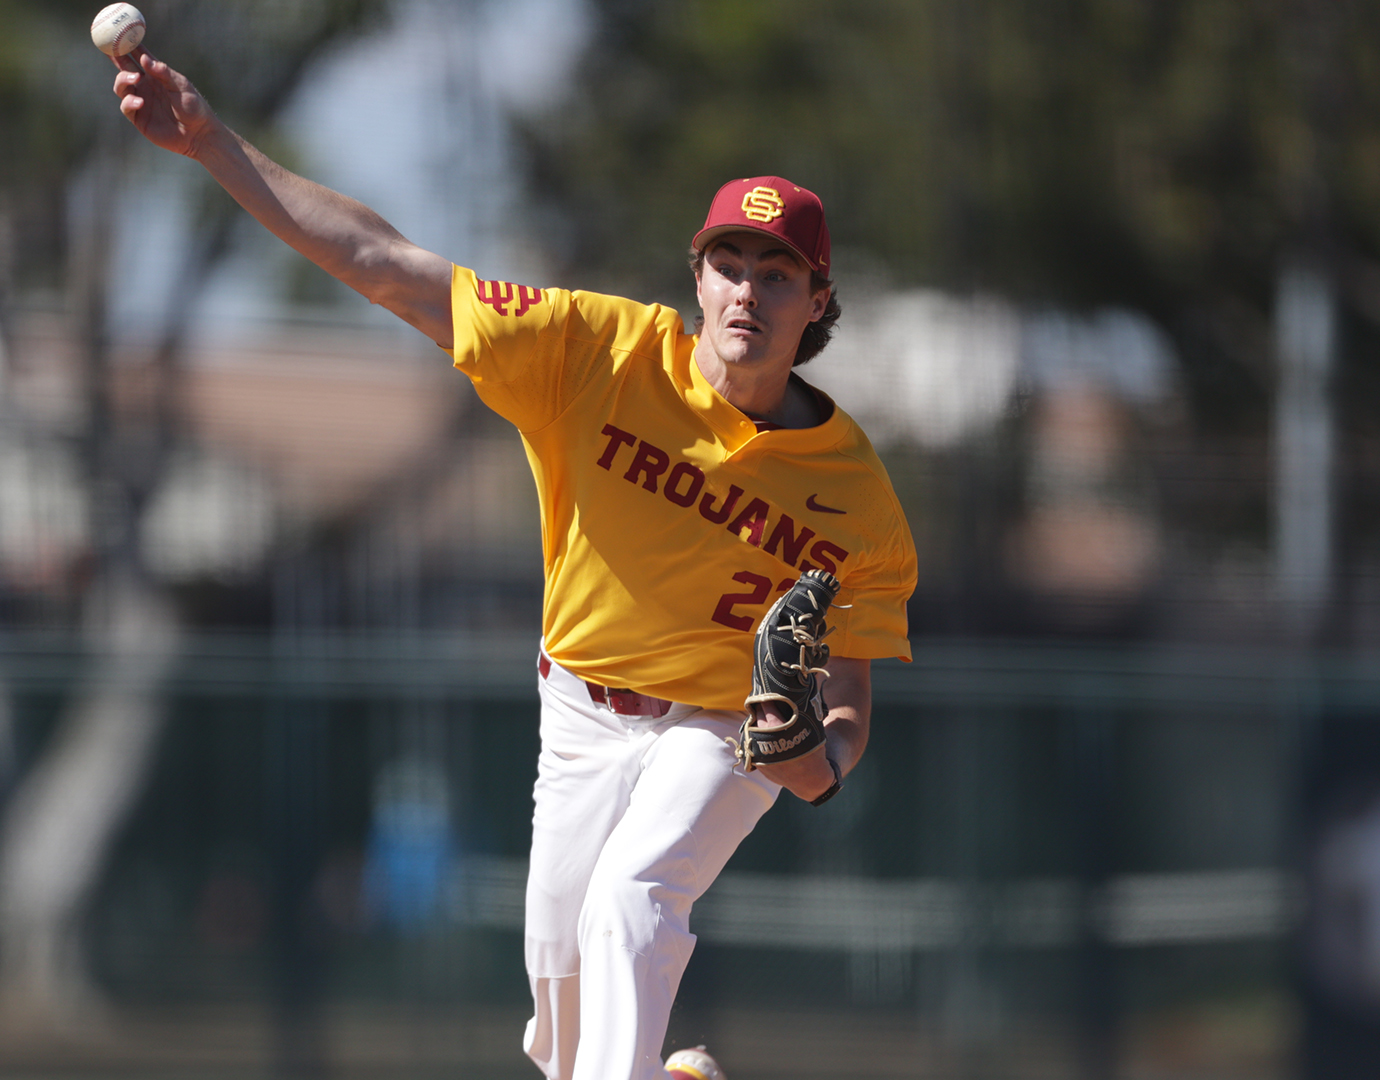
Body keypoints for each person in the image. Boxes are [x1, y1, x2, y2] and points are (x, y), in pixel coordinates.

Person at [111, 45, 916, 1080]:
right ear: (696, 275)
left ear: (818, 301)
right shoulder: (595, 355)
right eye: (728, 263)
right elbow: (384, 263)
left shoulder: (855, 496)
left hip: (720, 730)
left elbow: (839, 719)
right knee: (561, 1011)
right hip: (578, 712)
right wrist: (211, 143)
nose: (746, 290)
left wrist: (818, 753)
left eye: (776, 273)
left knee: (635, 900)